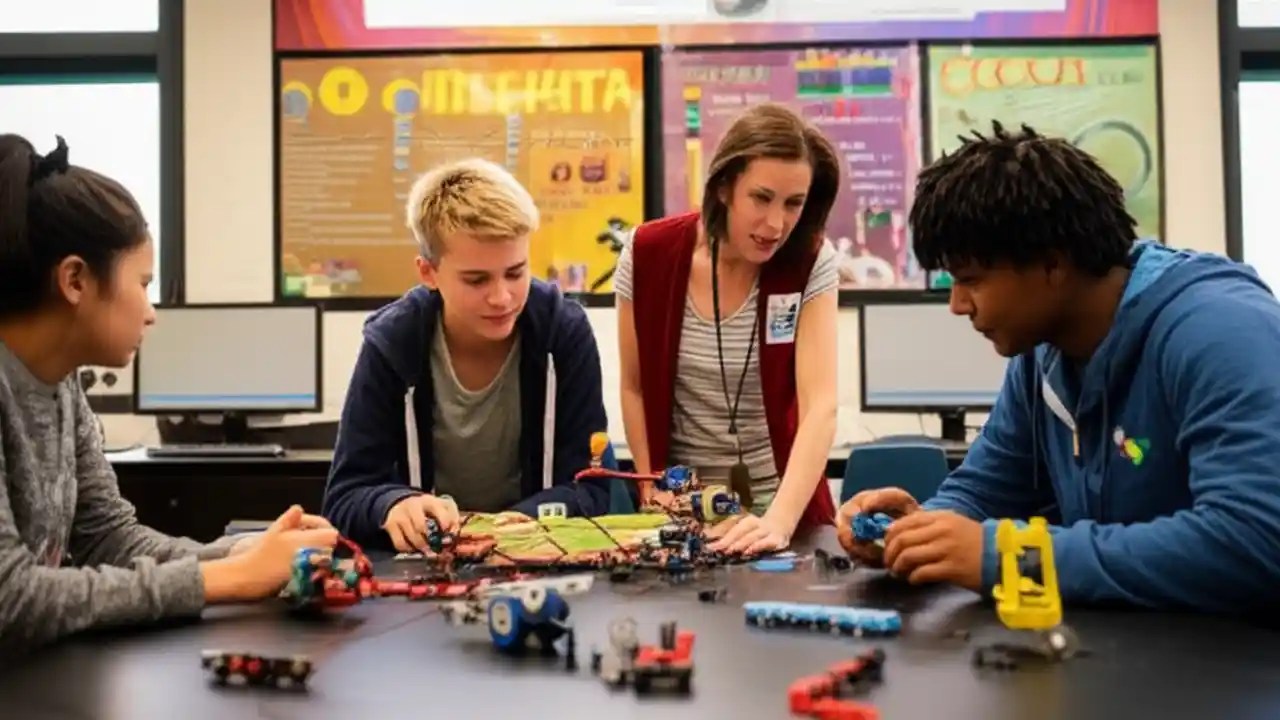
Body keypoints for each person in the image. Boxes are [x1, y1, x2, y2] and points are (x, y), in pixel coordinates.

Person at [837, 121, 1280, 613]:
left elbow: (1255, 540)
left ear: (1053, 265)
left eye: (971, 280)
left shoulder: (1220, 330)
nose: (958, 306)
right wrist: (919, 533)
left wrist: (1014, 558)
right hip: (1133, 655)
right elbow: (989, 488)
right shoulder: (1041, 354)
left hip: (1240, 668)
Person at [0, 133, 338, 656]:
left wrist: (242, 554)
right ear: (74, 281)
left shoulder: (63, 385)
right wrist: (227, 579)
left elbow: (109, 540)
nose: (152, 311)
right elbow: (11, 598)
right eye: (144, 283)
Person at [322, 158, 611, 553]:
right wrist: (391, 505)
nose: (501, 297)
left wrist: (520, 521)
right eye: (476, 280)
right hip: (429, 571)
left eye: (515, 272)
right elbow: (343, 500)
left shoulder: (563, 333)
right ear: (428, 273)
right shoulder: (392, 343)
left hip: (536, 564)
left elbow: (592, 489)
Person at [616, 103, 841, 555]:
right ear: (723, 187)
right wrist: (649, 488)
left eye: (793, 204)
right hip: (683, 512)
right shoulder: (648, 254)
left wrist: (776, 522)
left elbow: (821, 405)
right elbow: (635, 387)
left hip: (783, 510)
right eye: (761, 198)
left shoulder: (811, 261)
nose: (776, 224)